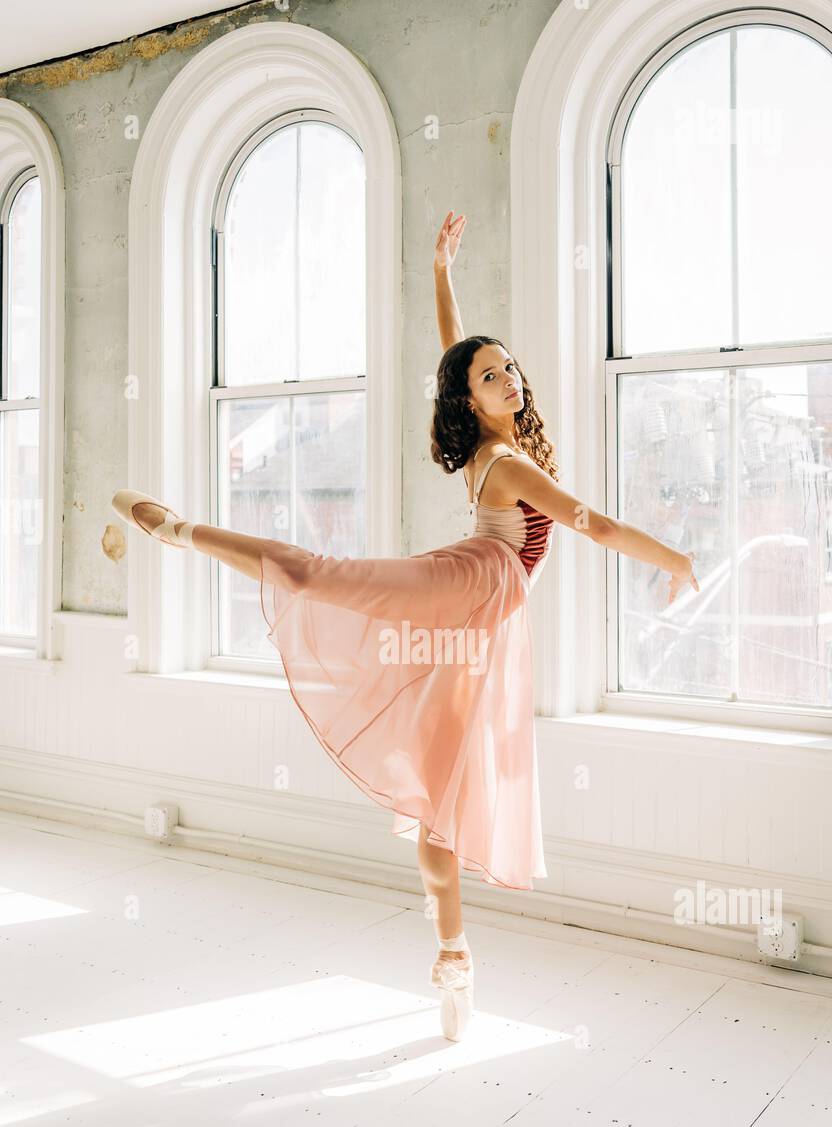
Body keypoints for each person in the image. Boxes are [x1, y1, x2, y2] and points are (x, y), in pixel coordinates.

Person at [112, 209, 699, 1042]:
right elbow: (595, 526)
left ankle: (453, 958)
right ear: (472, 402)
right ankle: (175, 529)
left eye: (509, 371)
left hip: (481, 625)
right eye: (492, 379)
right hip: (466, 588)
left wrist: (441, 277)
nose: (509, 380)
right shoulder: (505, 461)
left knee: (439, 796)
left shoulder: (485, 442)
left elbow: (454, 357)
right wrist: (673, 560)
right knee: (319, 575)